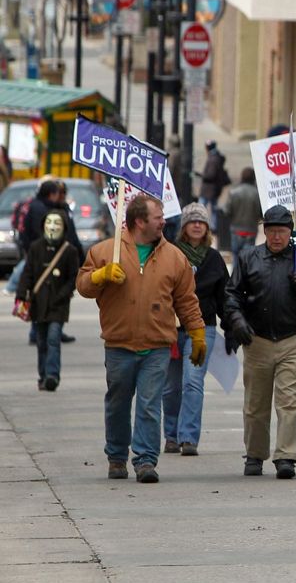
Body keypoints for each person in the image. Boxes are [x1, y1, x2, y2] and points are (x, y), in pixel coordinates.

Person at [76, 195, 205, 484]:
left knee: (149, 404)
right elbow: (82, 285)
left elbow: (187, 300)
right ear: (139, 221)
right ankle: (117, 457)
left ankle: (146, 460)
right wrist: (100, 276)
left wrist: (196, 332)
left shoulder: (175, 257)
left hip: (157, 345)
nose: (164, 221)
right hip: (118, 344)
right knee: (118, 403)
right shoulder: (106, 251)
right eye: (158, 216)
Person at [224, 205, 296, 479]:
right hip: (257, 339)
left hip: (293, 340)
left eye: (281, 231)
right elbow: (232, 294)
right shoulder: (248, 258)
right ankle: (255, 454)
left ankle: (286, 456)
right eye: (271, 231)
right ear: (264, 231)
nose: (276, 237)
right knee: (256, 404)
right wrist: (236, 320)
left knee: (289, 402)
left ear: (289, 232)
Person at [162, 204, 229, 456]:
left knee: (193, 382)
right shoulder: (170, 254)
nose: (197, 225)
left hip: (204, 328)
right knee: (170, 386)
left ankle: (188, 437)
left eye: (201, 222)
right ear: (184, 227)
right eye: (192, 221)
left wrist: (231, 325)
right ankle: (170, 434)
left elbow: (224, 295)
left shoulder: (213, 259)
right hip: (172, 329)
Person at [16, 211, 79, 391]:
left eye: (57, 223)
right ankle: (43, 375)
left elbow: (73, 277)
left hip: (58, 306)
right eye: (49, 223)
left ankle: (52, 375)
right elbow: (27, 273)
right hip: (38, 304)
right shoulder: (36, 248)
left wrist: (63, 294)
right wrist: (21, 294)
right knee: (41, 340)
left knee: (53, 338)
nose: (52, 227)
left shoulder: (69, 251)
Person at [226, 168, 263, 262]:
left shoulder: (233, 192)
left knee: (236, 257)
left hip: (236, 230)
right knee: (248, 259)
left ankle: (236, 276)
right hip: (251, 230)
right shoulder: (256, 194)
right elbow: (260, 213)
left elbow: (227, 211)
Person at [198, 141, 231, 226]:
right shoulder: (217, 157)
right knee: (213, 208)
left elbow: (210, 175)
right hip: (215, 189)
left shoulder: (213, 159)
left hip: (208, 189)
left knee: (201, 207)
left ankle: (204, 223)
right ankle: (213, 225)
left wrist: (201, 175)